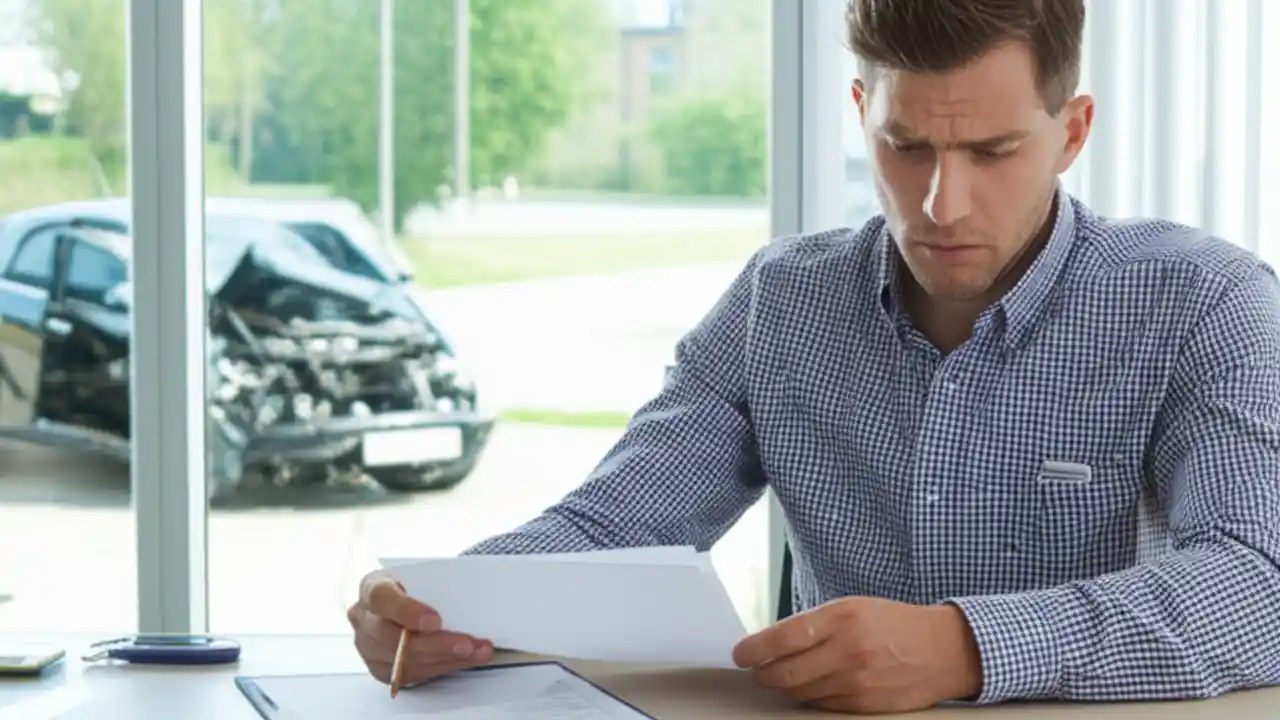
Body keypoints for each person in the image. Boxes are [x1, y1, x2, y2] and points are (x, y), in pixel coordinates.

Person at [348, 0, 1280, 712]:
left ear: (1072, 131)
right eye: (905, 146)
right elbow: (611, 529)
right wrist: (441, 604)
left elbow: (1257, 582)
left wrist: (967, 647)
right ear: (859, 112)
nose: (942, 203)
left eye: (993, 152)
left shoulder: (1204, 301)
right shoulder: (781, 303)